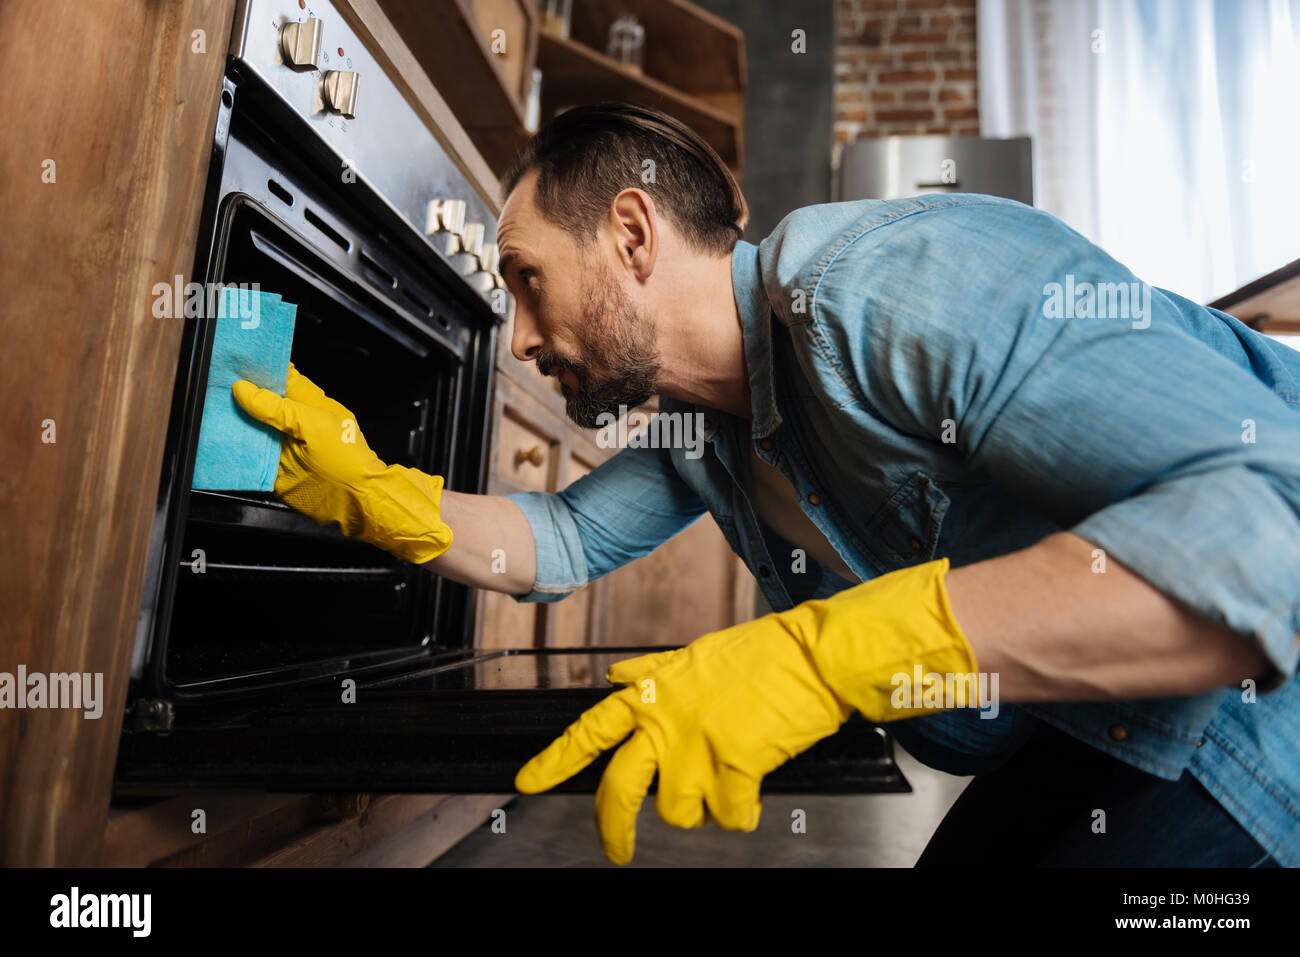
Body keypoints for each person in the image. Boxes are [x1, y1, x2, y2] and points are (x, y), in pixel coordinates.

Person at [233, 102, 1297, 868]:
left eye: (526, 279)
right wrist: (369, 489)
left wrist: (822, 657)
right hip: (1118, 719)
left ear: (632, 235)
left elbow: (1265, 537)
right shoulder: (711, 430)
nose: (514, 340)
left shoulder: (893, 285)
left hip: (1264, 717)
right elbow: (556, 539)